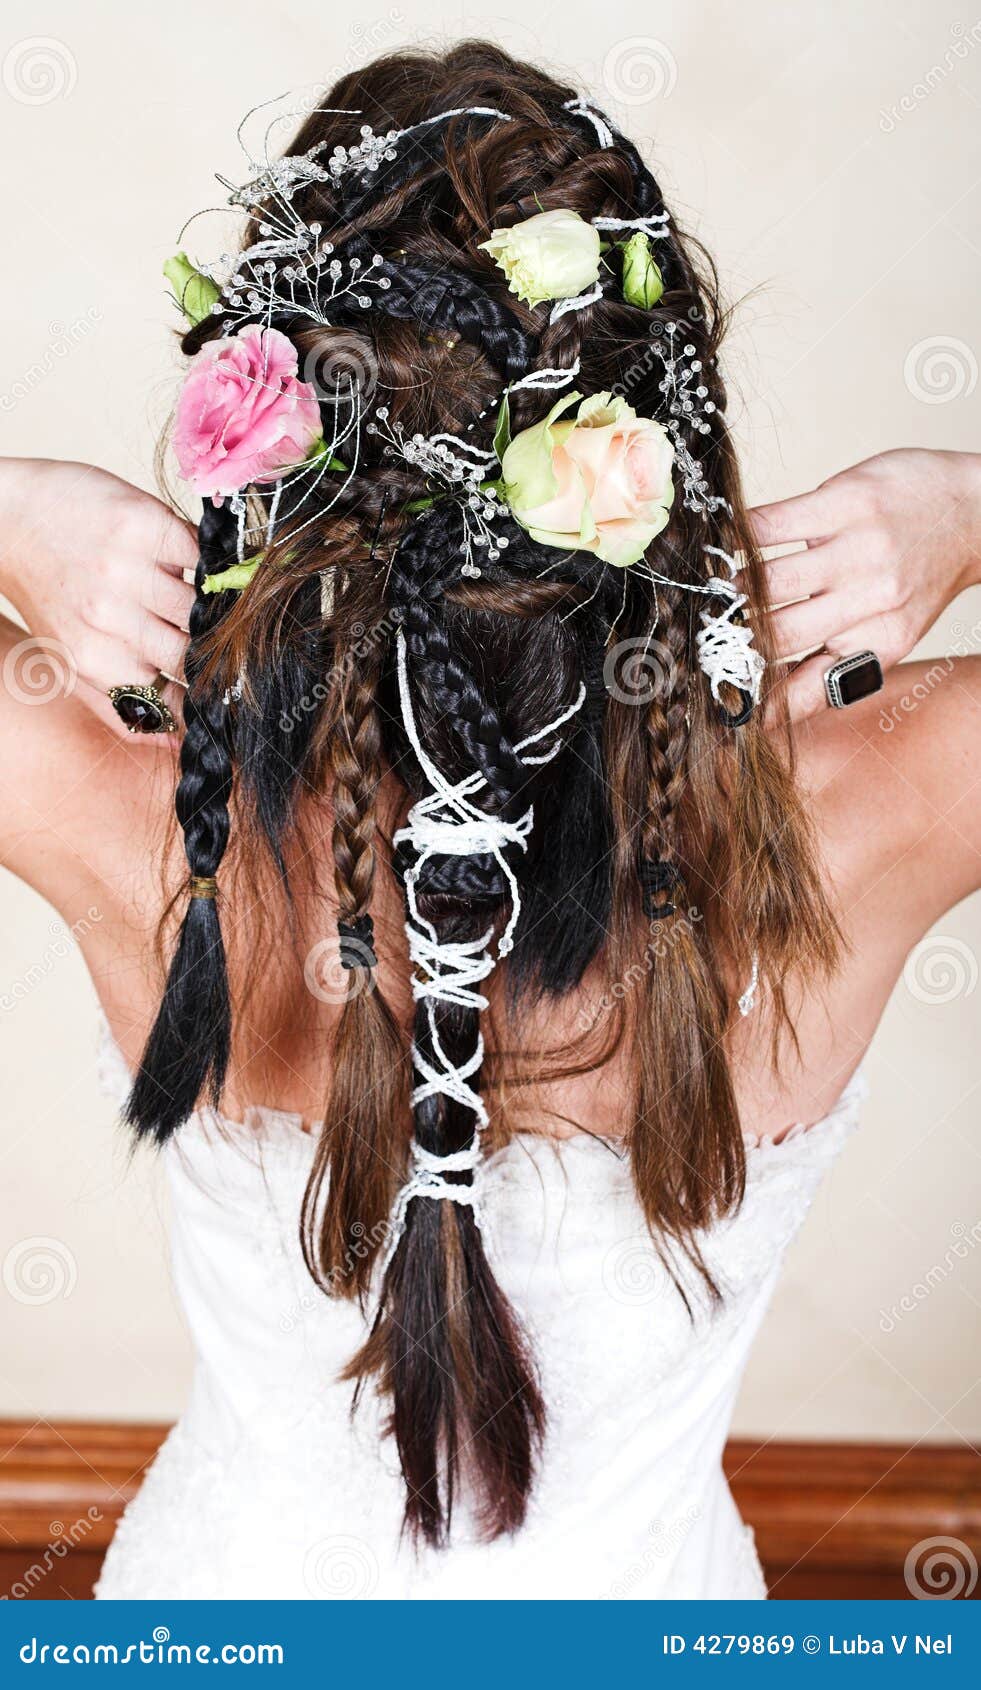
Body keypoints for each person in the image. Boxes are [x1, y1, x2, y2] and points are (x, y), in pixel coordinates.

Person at [0, 43, 978, 1600]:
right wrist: (963, 504)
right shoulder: (864, 806)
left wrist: (15, 512)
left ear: (270, 457)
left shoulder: (145, 814)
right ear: (668, 461)